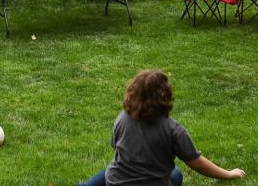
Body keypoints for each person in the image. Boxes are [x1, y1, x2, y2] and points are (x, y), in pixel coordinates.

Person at [79, 70, 245, 186]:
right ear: (165, 96)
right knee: (176, 174)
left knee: (115, 166)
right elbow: (197, 163)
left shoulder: (123, 117)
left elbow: (115, 147)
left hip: (116, 182)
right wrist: (229, 174)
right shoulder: (173, 130)